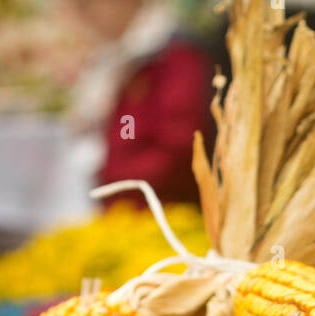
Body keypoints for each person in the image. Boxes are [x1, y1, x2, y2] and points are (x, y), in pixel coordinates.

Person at [67, 0, 217, 207]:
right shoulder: (119, 56)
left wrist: (111, 175)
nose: (82, 14)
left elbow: (175, 150)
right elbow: (126, 130)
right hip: (121, 200)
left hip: (159, 210)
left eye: (87, 4)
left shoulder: (175, 58)